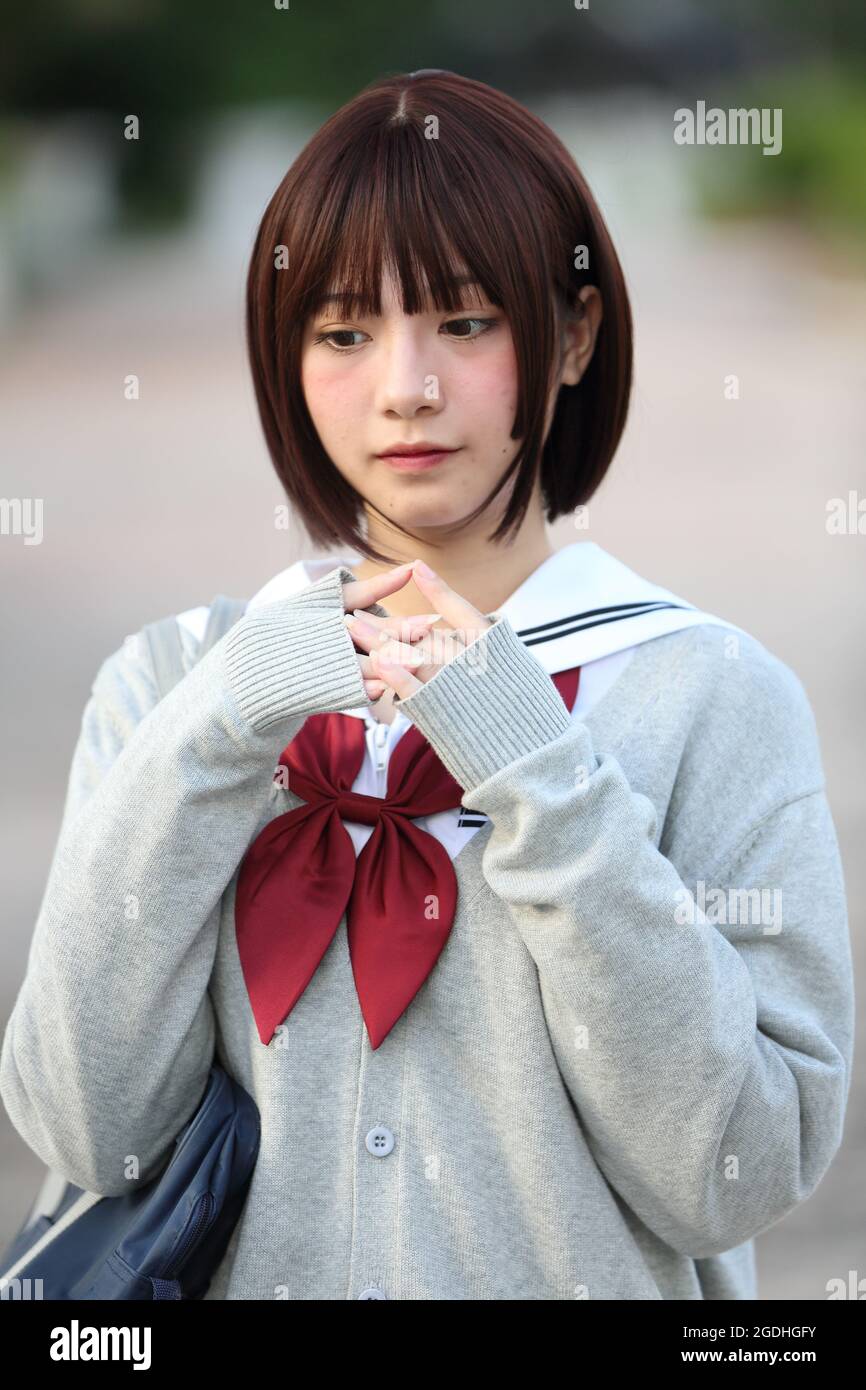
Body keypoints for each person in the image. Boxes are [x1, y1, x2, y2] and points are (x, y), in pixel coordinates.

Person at [0, 70, 854, 1301]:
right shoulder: (174, 683)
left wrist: (534, 768)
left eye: (463, 321)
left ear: (571, 334)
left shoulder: (707, 696)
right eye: (343, 332)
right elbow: (86, 1129)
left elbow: (731, 1171)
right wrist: (220, 734)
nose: (404, 386)